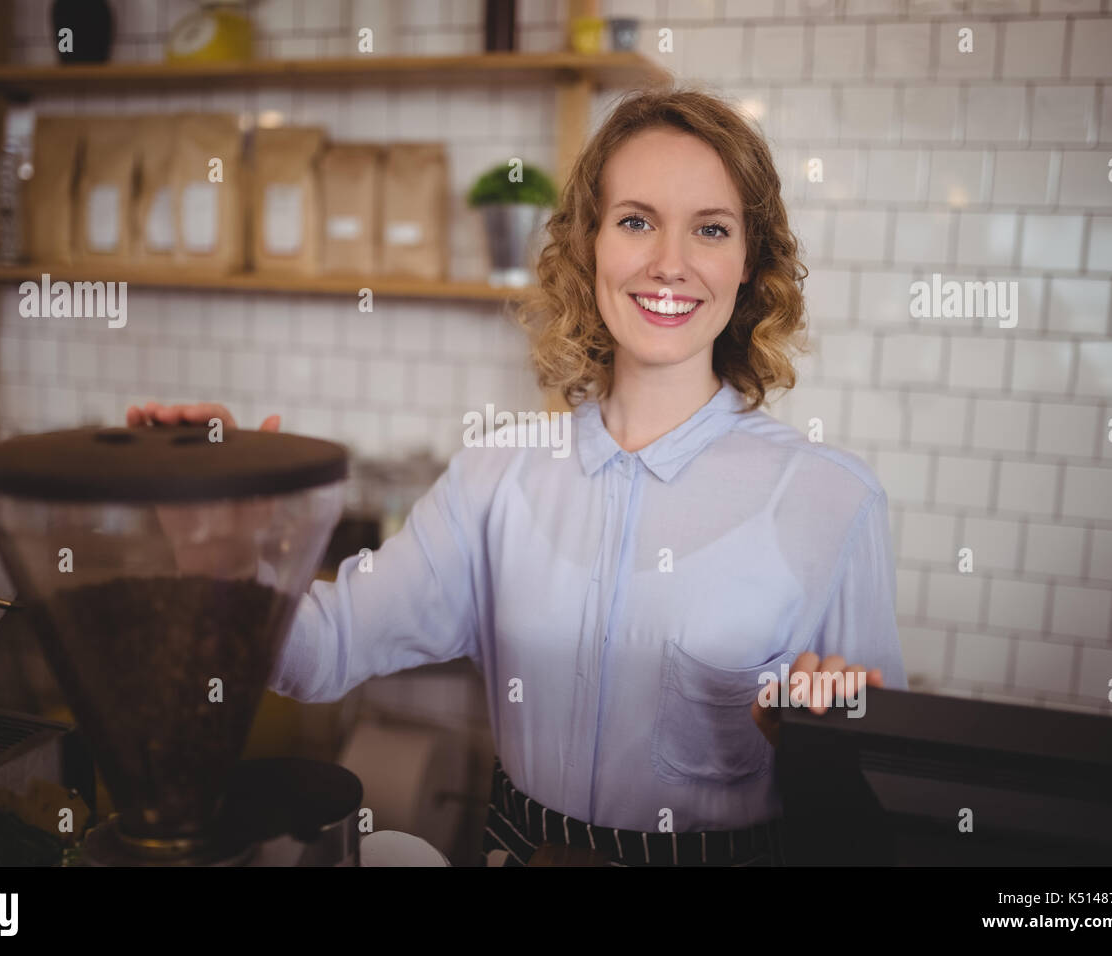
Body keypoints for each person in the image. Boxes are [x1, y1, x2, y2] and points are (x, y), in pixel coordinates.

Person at [127, 87, 908, 867]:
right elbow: (320, 654)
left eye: (711, 229)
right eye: (636, 221)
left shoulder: (830, 502)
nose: (670, 263)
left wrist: (822, 744)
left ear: (749, 262)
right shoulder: (496, 477)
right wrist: (223, 556)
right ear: (588, 245)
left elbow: (889, 804)